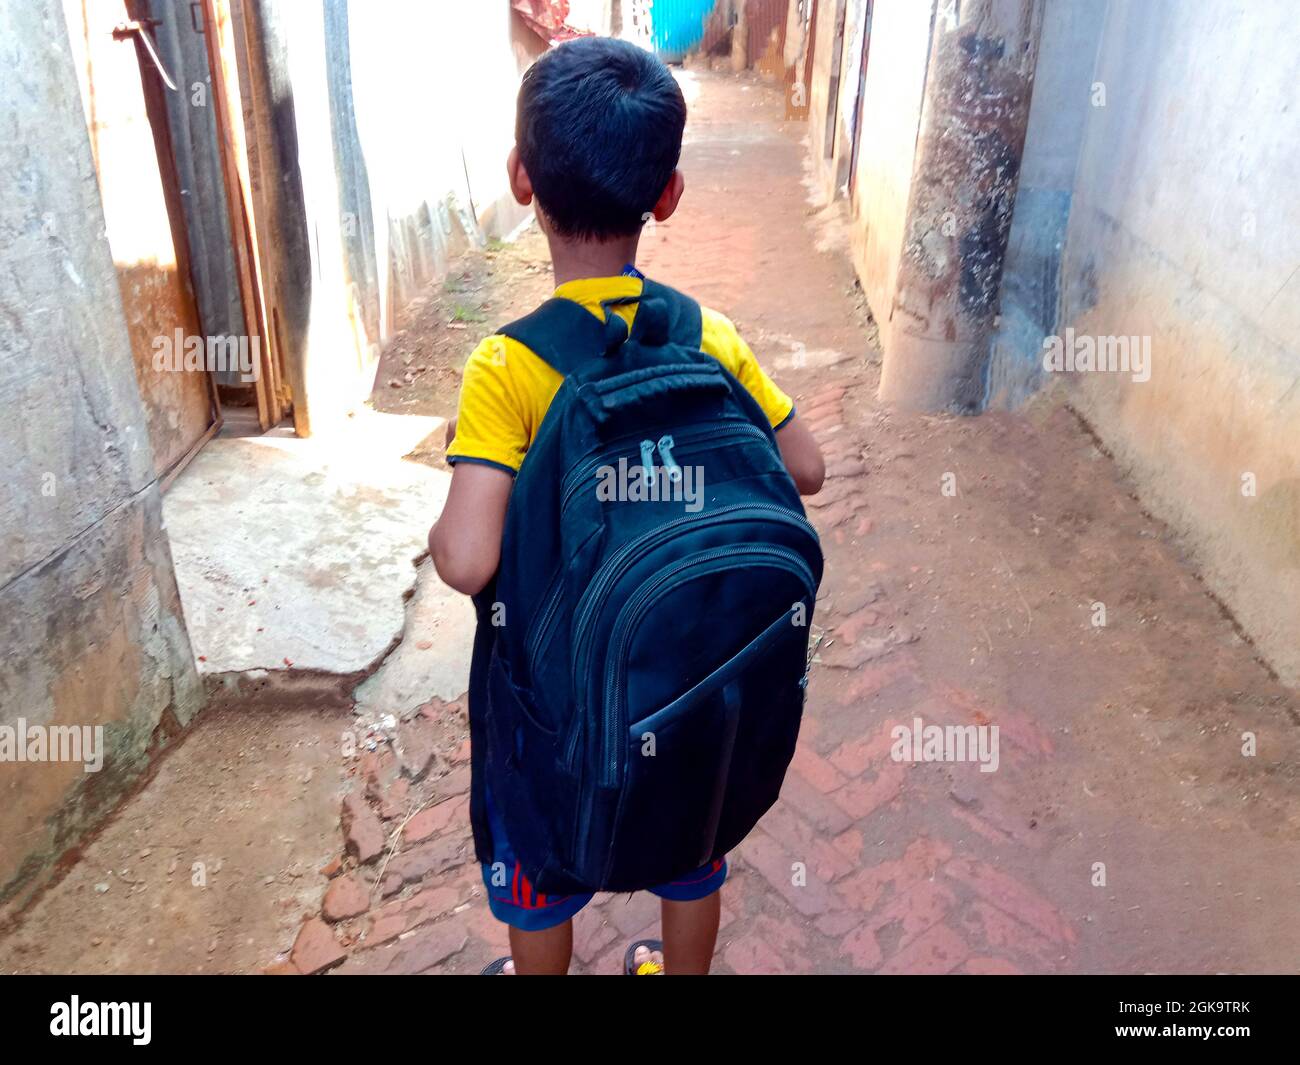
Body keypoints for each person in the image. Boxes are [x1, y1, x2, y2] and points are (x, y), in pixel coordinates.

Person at [429, 36, 824, 975]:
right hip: (692, 673)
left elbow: (468, 561)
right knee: (694, 842)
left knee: (538, 858)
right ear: (668, 195)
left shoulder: (508, 367)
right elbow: (804, 469)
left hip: (558, 700)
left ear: (523, 179)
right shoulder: (709, 334)